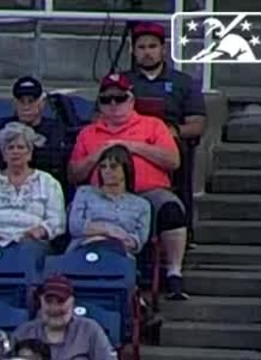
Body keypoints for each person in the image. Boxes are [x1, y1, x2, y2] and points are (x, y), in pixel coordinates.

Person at [69, 73, 188, 299]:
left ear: (131, 100)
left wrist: (130, 147)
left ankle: (174, 273)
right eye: (106, 100)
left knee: (172, 209)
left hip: (149, 192)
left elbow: (173, 161)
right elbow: (74, 174)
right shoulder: (88, 133)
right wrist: (98, 155)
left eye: (120, 98)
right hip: (101, 194)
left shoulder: (153, 125)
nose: (113, 104)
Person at [125, 21, 206, 241]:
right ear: (132, 51)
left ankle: (181, 231)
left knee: (180, 152)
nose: (147, 52)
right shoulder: (122, 82)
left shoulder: (183, 82)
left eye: (152, 46)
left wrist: (173, 131)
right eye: (141, 47)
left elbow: (198, 123)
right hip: (129, 142)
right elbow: (99, 116)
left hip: (170, 141)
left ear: (163, 49)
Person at [0, 122, 66, 254]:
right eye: (10, 148)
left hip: (32, 243)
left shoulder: (48, 182)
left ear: (30, 153)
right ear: (4, 154)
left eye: (21, 147)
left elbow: (58, 221)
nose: (16, 152)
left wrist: (39, 231)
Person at [12, 276, 120, 360]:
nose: (54, 309)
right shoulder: (24, 333)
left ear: (72, 301)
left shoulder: (89, 330)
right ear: (41, 301)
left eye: (60, 301)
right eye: (49, 302)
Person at [66, 146, 152, 257]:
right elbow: (75, 227)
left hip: (119, 255)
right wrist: (109, 230)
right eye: (103, 167)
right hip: (83, 250)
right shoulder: (84, 193)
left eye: (113, 167)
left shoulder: (142, 205)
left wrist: (99, 234)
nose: (107, 171)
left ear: (126, 168)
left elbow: (137, 242)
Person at [1, 76, 75, 180]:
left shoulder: (56, 129)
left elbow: (55, 163)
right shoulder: (2, 129)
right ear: (14, 103)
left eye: (31, 101)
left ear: (42, 103)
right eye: (21, 101)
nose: (26, 107)